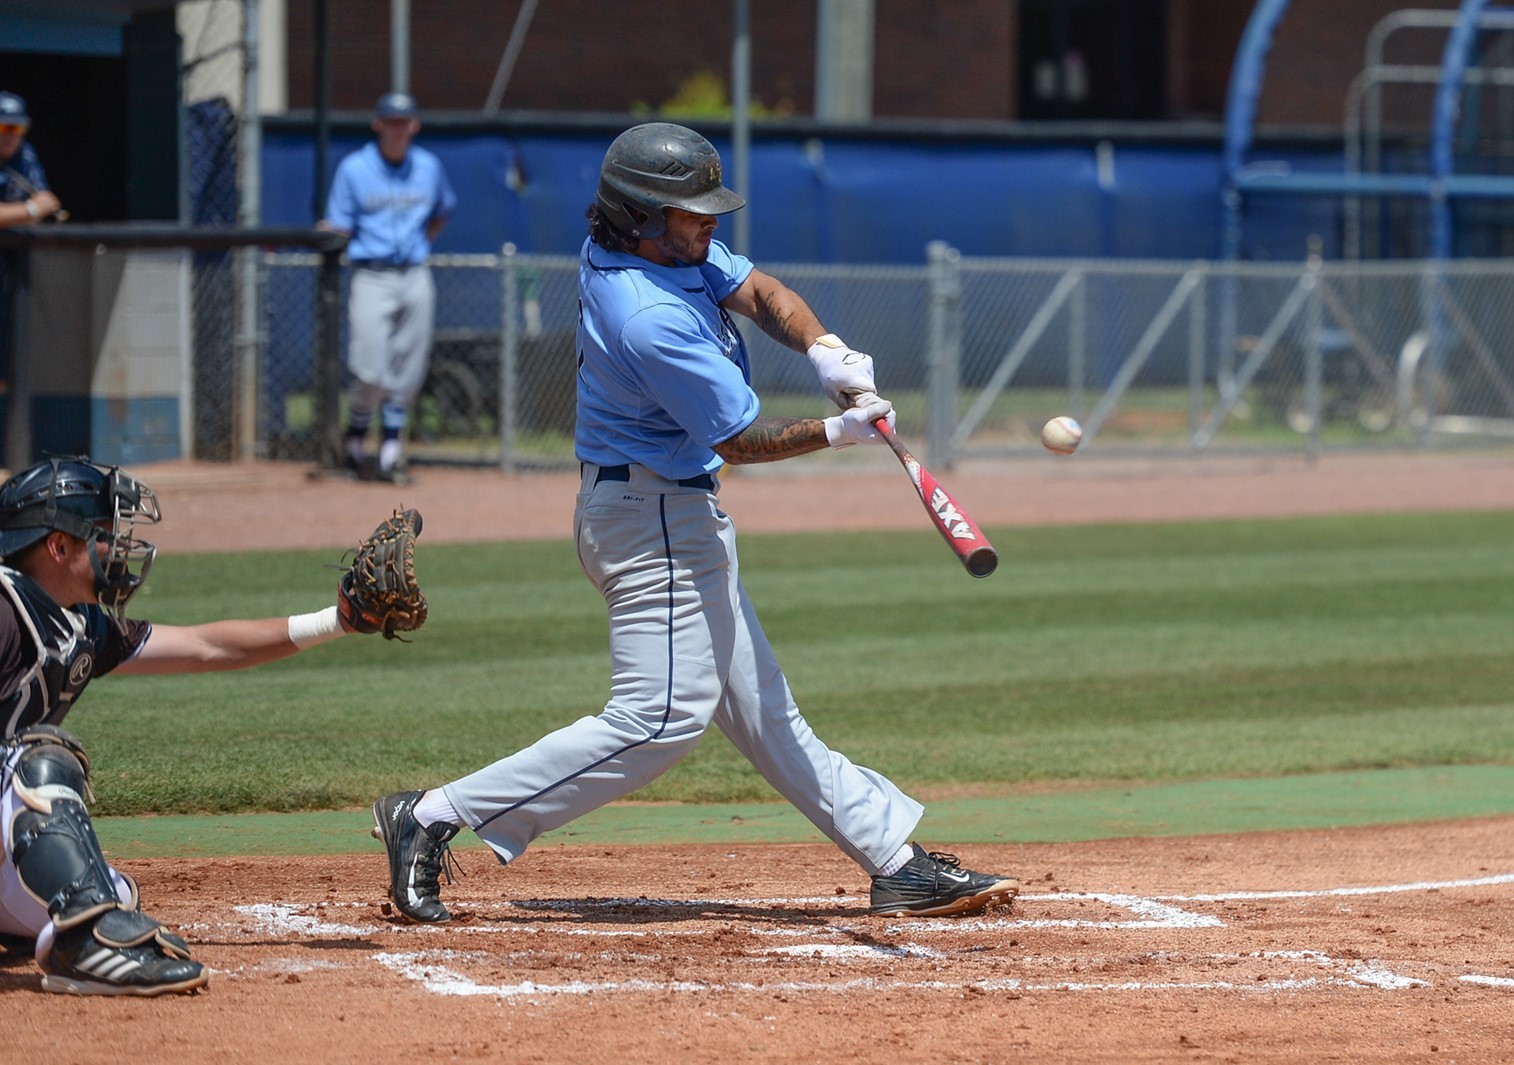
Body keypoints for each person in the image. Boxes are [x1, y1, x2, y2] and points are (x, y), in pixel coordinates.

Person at [370, 122, 1020, 924]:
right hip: (650, 521)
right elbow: (737, 440)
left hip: (664, 508)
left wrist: (825, 348)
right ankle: (432, 814)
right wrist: (838, 430)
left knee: (767, 713)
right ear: (641, 215)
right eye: (692, 211)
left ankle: (894, 862)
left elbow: (761, 292)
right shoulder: (646, 314)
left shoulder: (658, 251)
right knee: (660, 720)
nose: (709, 222)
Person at [0, 457, 409, 995]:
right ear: (58, 546)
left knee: (108, 895)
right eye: (101, 534)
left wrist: (339, 621)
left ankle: (70, 930)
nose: (117, 548)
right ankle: (85, 948)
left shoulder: (79, 623)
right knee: (39, 761)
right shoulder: (5, 608)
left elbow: (205, 647)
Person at [319, 91, 456, 485]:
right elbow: (338, 224)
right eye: (391, 122)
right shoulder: (355, 168)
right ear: (378, 124)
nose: (398, 129)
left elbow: (443, 210)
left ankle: (391, 451)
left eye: (404, 122)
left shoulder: (428, 166)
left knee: (409, 368)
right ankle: (356, 438)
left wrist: (422, 242)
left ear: (414, 126)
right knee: (370, 368)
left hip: (414, 272)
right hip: (371, 273)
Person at [0, 92, 63, 229]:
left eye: (17, 128)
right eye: (2, 127)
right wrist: (30, 210)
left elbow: (43, 201)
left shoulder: (25, 153)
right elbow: (36, 208)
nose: (9, 135)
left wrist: (35, 210)